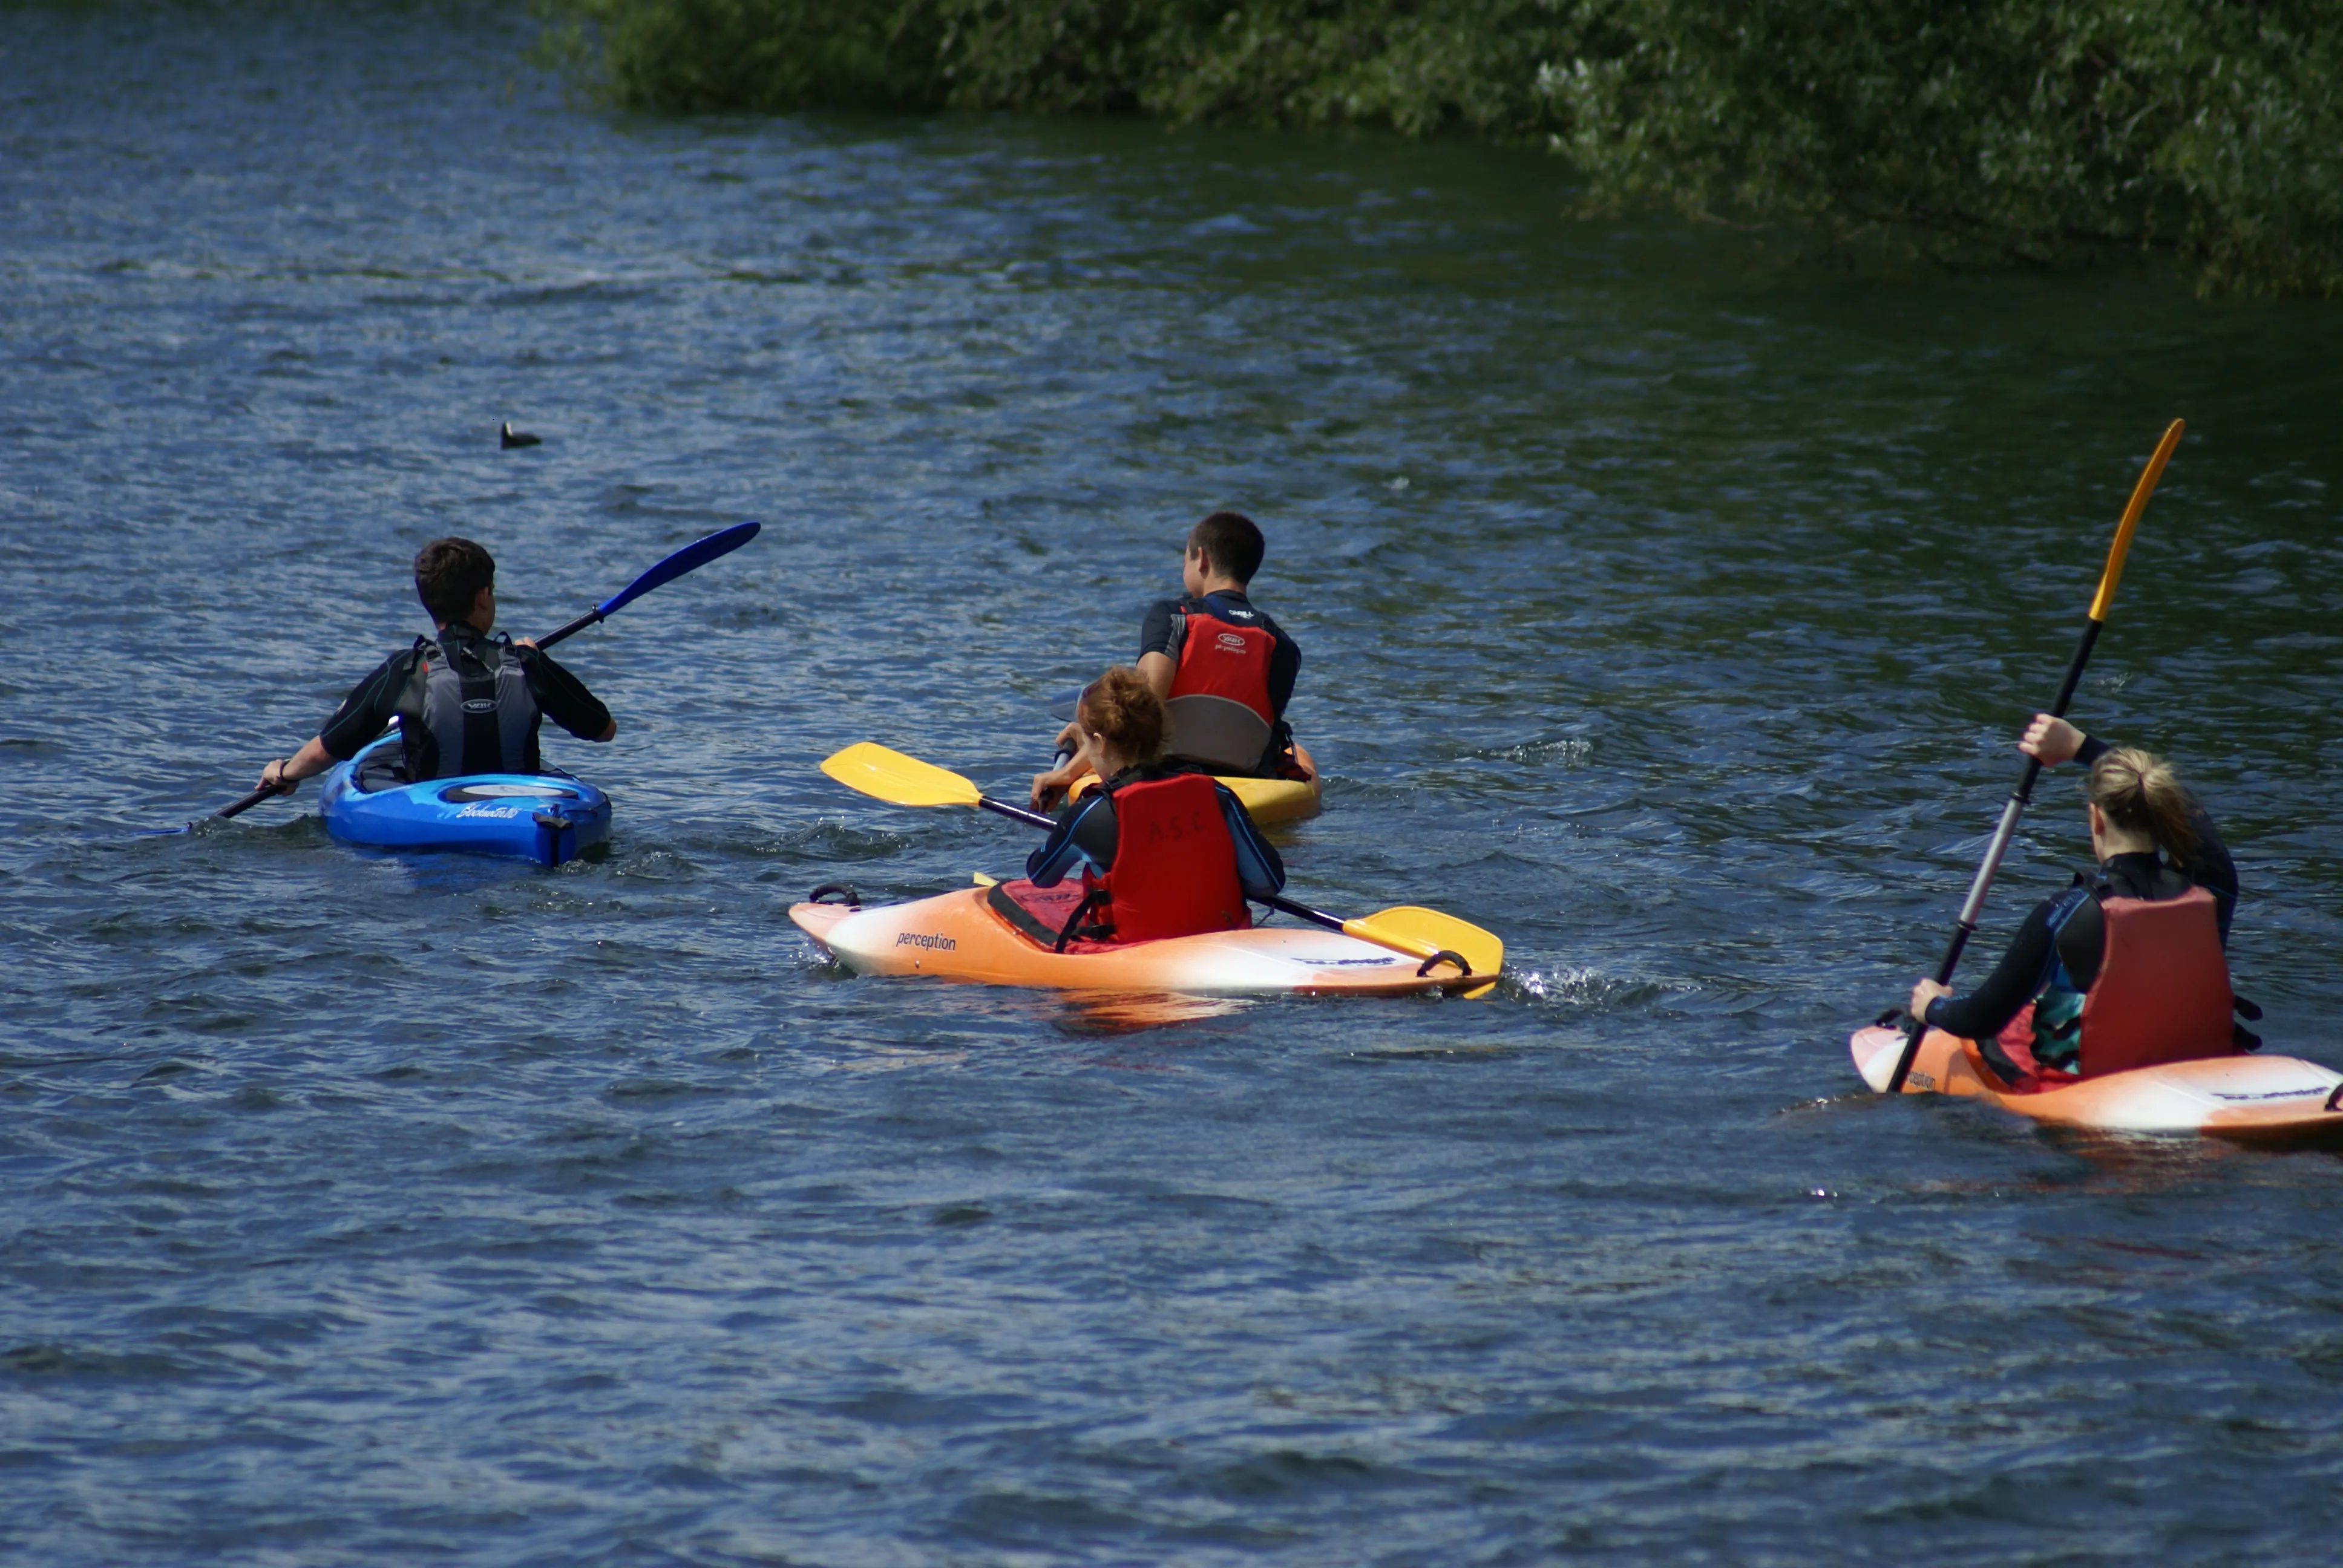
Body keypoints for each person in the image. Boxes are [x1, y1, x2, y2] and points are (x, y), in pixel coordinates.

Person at [1907, 713, 2242, 1081]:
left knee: (2007, 1030)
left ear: (2096, 819)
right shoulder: (2211, 889)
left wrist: (1934, 1006)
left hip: (2094, 1080)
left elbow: (1982, 1018)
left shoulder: (2067, 911)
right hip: (2193, 1061)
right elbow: (2195, 818)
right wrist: (2082, 747)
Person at [252, 537, 616, 797]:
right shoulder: (525, 662)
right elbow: (604, 729)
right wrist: (539, 661)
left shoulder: (407, 668)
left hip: (433, 810)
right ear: (483, 597)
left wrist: (284, 772)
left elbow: (329, 747)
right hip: (517, 806)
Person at [1032, 510, 1302, 805]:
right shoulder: (1283, 645)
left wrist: (1073, 767)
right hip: (1248, 791)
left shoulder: (1173, 617)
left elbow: (1137, 712)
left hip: (1165, 780)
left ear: (1203, 559)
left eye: (1185, 557)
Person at [1018, 666, 1285, 946]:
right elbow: (1268, 882)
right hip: (1219, 944)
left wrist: (1063, 828)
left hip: (1134, 957)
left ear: (1100, 743)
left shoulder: (1091, 815)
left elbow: (1041, 877)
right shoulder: (1217, 795)